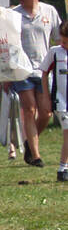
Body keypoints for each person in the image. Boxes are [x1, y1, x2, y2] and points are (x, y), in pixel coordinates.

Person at [10, 0, 60, 168]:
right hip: (22, 69)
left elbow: (57, 38)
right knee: (29, 109)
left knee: (46, 112)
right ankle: (36, 156)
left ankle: (30, 143)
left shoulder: (49, 11)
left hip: (44, 69)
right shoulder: (14, 14)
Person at [40, 21, 68, 182]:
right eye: (62, 42)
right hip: (61, 100)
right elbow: (44, 73)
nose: (64, 45)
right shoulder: (55, 53)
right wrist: (46, 96)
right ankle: (62, 168)